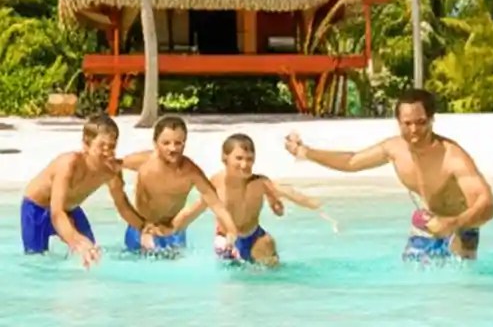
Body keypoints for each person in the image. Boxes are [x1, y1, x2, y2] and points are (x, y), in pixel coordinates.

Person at [284, 89, 493, 262]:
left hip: (461, 226)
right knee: (415, 281)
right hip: (428, 221)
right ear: (398, 122)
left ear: (432, 120)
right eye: (407, 123)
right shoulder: (394, 149)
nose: (414, 130)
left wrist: (452, 223)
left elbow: (488, 204)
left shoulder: (453, 157)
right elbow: (351, 161)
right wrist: (305, 152)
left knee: (456, 291)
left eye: (421, 122)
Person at [170, 133, 335, 267]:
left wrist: (319, 207)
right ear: (225, 158)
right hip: (227, 239)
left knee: (268, 247)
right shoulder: (216, 183)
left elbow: (289, 193)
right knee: (235, 287)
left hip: (253, 235)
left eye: (249, 159)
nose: (245, 164)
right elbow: (192, 211)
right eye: (239, 158)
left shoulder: (259, 182)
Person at [20, 113, 152, 268]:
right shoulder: (69, 164)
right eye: (101, 146)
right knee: (36, 262)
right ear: (86, 145)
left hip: (70, 209)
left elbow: (123, 206)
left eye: (112, 147)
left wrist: (145, 228)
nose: (107, 152)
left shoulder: (110, 171)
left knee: (93, 255)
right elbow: (56, 213)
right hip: (36, 209)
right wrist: (74, 239)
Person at [118, 115, 244, 258]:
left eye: (178, 143)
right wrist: (120, 192)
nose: (172, 148)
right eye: (166, 143)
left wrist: (231, 230)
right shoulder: (143, 162)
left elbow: (214, 202)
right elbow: (111, 167)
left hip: (172, 231)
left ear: (185, 143)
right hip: (139, 228)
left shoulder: (190, 172)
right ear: (155, 143)